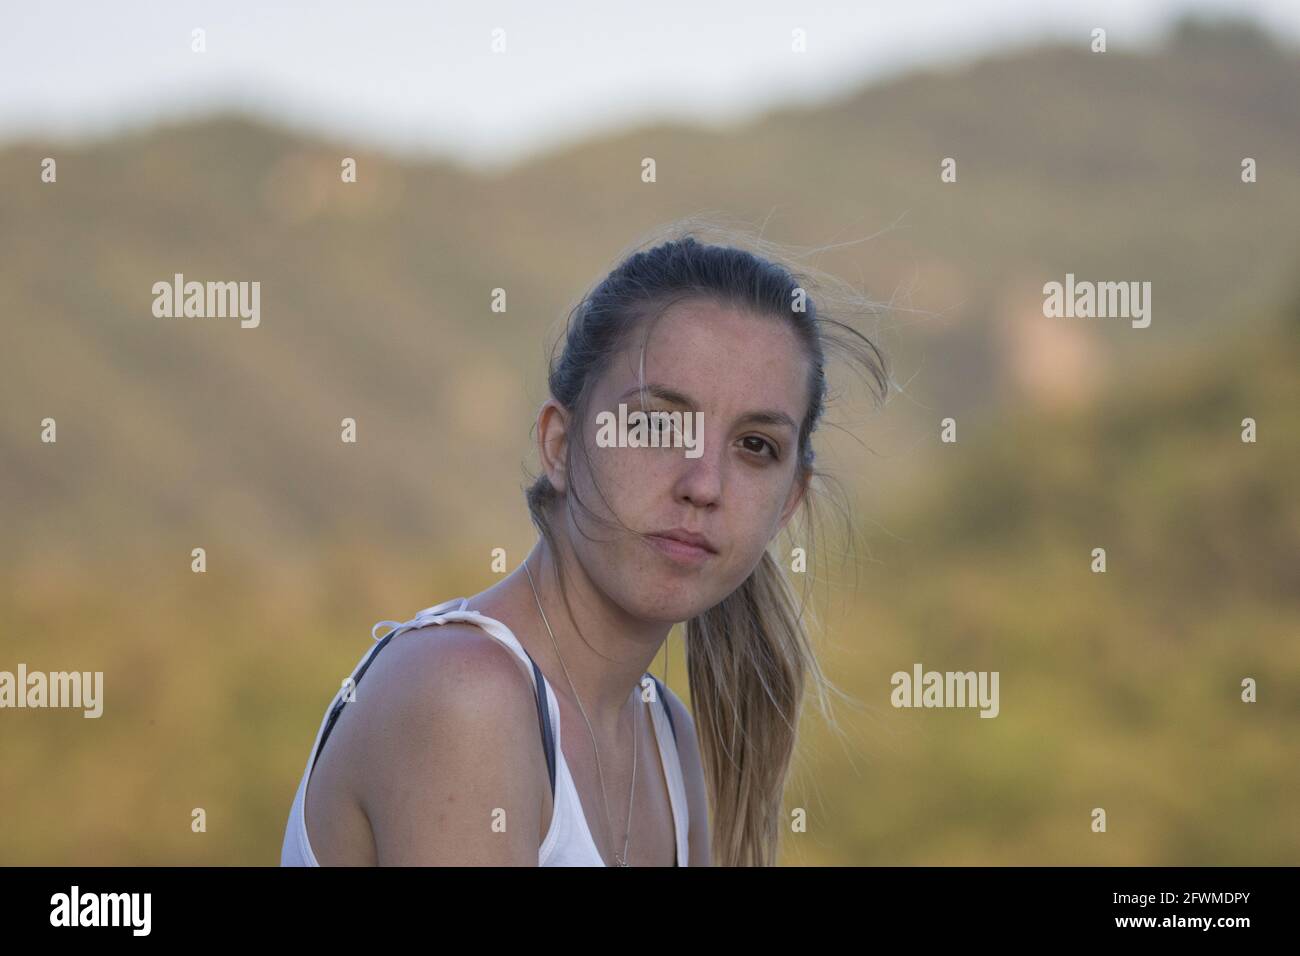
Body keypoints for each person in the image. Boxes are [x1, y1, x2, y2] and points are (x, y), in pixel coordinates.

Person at [281, 218, 890, 866]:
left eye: (754, 446)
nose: (704, 483)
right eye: (657, 424)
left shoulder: (665, 738)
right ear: (560, 446)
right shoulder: (463, 694)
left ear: (788, 502)